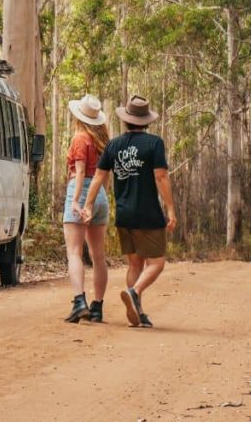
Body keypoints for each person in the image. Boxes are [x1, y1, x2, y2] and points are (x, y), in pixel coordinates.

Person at [82, 94, 176, 329]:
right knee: (157, 263)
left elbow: (99, 177)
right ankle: (134, 292)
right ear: (146, 121)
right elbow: (161, 176)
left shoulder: (114, 145)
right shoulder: (154, 143)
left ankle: (138, 312)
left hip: (124, 214)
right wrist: (171, 209)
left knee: (135, 264)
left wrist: (88, 205)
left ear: (126, 120)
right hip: (148, 213)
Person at [62, 94, 110, 323]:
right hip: (100, 194)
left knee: (74, 251)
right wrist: (101, 196)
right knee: (98, 255)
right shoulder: (102, 142)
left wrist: (75, 201)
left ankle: (79, 301)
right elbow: (105, 175)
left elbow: (80, 171)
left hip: (81, 191)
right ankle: (97, 307)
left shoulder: (80, 138)